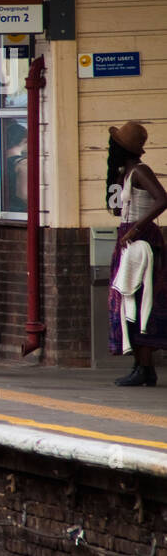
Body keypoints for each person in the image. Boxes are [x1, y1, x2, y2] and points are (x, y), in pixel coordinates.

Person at [106, 121, 167, 387]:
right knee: (128, 299)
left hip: (140, 240)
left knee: (143, 299)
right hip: (128, 238)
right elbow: (117, 209)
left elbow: (163, 199)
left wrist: (138, 227)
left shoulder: (141, 171)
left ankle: (144, 368)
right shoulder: (126, 174)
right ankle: (140, 366)